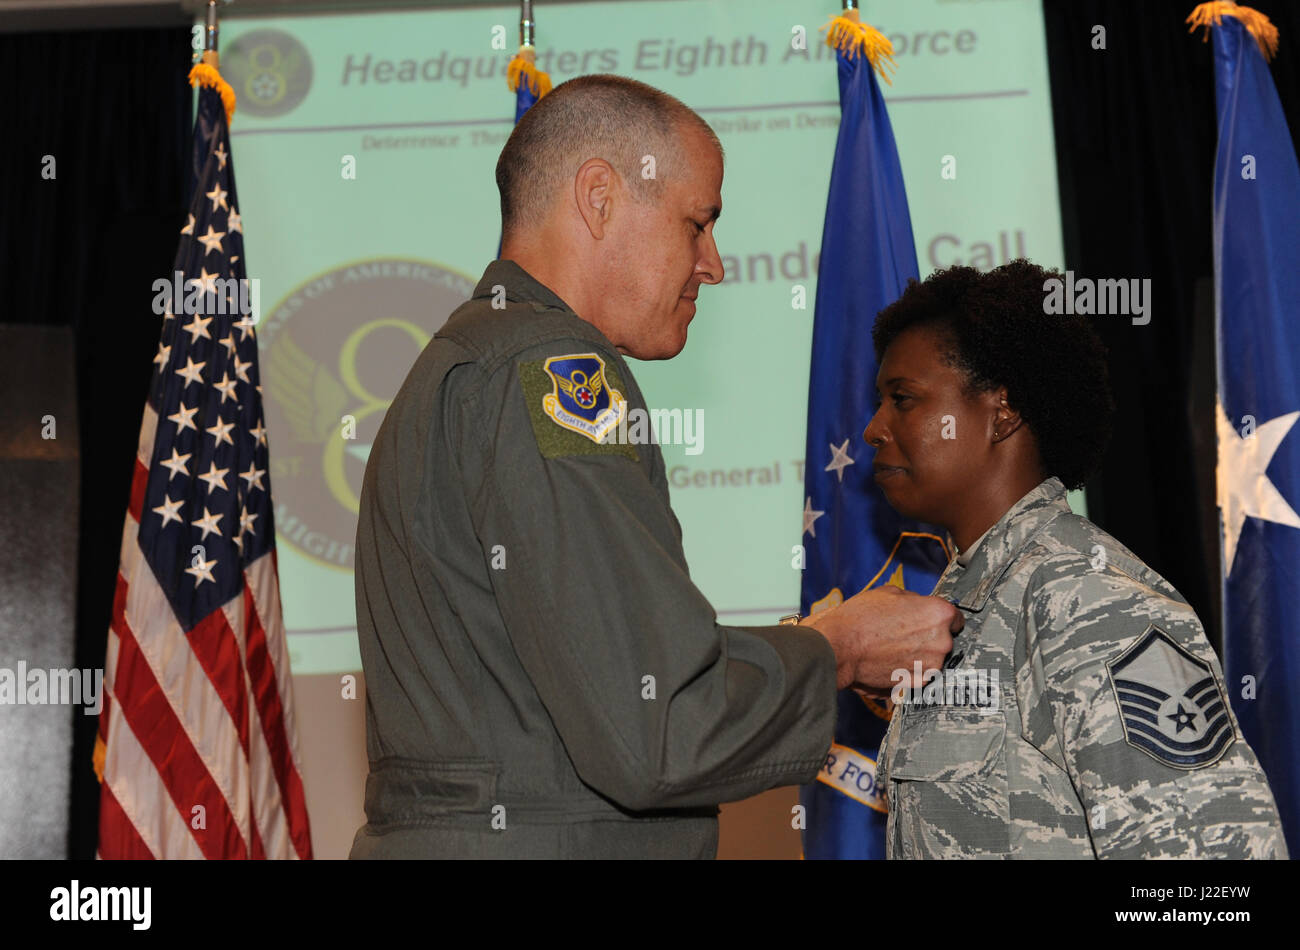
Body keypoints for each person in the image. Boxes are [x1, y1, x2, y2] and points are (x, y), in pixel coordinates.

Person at [349, 74, 962, 859]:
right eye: (697, 222)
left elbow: (590, 678)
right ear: (600, 197)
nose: (713, 263)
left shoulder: (464, 363)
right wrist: (836, 649)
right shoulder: (553, 370)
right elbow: (657, 724)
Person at [866, 259, 1288, 859]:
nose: (873, 429)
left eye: (901, 399)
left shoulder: (1093, 601)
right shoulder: (966, 603)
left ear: (1002, 412)